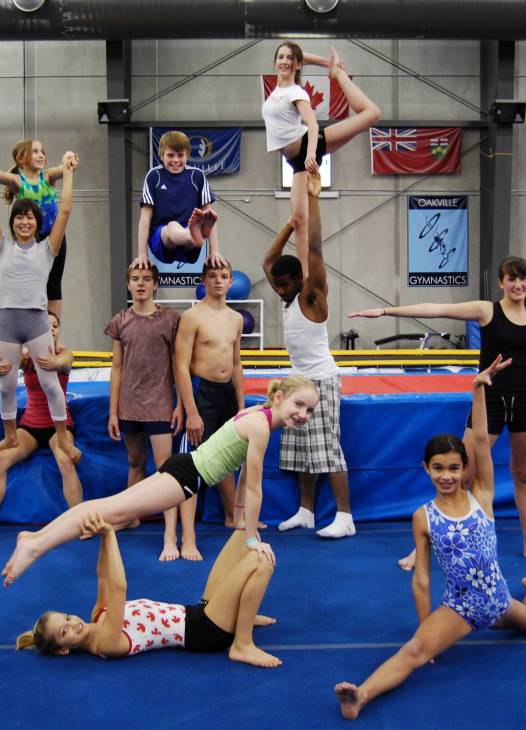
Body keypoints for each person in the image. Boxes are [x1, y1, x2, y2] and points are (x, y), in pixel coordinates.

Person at [332, 355, 526, 720]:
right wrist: (425, 624)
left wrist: (478, 389)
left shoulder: (481, 496)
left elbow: (480, 440)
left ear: (464, 469)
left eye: (453, 468)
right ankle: (361, 696)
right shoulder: (424, 517)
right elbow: (421, 577)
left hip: (497, 599)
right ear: (426, 469)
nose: (446, 476)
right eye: (438, 468)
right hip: (460, 609)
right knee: (414, 650)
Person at [349, 256, 526, 567]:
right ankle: (424, 546)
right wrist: (385, 311)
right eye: (511, 279)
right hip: (488, 400)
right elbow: (436, 309)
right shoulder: (486, 310)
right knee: (462, 474)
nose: (517, 285)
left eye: (523, 279)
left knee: (523, 475)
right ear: (501, 283)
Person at [0, 375, 319, 587]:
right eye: (298, 405)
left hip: (185, 469)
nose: (303, 414)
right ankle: (37, 547)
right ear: (278, 397)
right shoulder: (262, 426)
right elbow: (253, 485)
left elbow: (245, 475)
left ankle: (35, 537)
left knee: (107, 508)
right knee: (108, 514)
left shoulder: (259, 417)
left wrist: (238, 516)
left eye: (310, 410)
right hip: (185, 477)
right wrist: (251, 537)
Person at [16, 511, 282, 667]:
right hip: (206, 631)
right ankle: (242, 643)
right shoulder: (106, 644)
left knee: (245, 534)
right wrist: (110, 535)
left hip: (200, 610)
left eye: (66, 617)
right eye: (64, 632)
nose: (73, 624)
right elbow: (119, 587)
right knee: (261, 560)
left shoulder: (96, 616)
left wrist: (100, 536)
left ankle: (240, 616)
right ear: (63, 649)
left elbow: (103, 577)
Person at [0, 149, 83, 466]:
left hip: (35, 321)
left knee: (48, 381)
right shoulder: (2, 248)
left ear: (37, 222)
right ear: (13, 223)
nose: (24, 221)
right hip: (6, 320)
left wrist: (69, 172)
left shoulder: (48, 249)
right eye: (19, 217)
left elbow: (66, 211)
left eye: (30, 217)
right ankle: (10, 435)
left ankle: (61, 436)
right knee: (4, 381)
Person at [263, 195, 354, 538]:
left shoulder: (311, 296)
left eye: (285, 283)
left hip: (322, 382)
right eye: (277, 284)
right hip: (299, 381)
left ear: (299, 279)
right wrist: (290, 223)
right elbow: (269, 260)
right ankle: (306, 510)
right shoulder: (287, 295)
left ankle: (345, 517)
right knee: (302, 449)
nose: (279, 289)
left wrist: (312, 200)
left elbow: (314, 248)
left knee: (328, 448)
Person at [0, 311, 83, 538]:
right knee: (1, 460)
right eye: (47, 326)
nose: (52, 330)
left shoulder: (64, 353)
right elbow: (2, 362)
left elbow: (65, 362)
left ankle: (79, 523)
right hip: (31, 425)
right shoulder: (27, 359)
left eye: (55, 326)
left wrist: (55, 362)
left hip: (59, 425)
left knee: (66, 461)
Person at [262, 43, 379, 279]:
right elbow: (299, 56)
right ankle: (305, 278)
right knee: (298, 221)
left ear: (297, 66)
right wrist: (327, 62)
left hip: (305, 147)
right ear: (275, 61)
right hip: (295, 161)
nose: (284, 61)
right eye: (280, 57)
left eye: (289, 59)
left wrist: (311, 154)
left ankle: (339, 77)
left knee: (371, 114)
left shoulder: (296, 92)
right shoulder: (278, 90)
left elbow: (313, 124)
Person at [105, 264, 193, 561]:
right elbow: (116, 368)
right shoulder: (120, 321)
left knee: (166, 470)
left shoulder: (170, 319)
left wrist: (180, 404)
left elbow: (179, 365)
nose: (140, 284)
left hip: (159, 404)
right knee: (134, 461)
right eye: (134, 279)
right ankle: (131, 516)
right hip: (129, 404)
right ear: (128, 285)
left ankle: (170, 536)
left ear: (155, 285)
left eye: (145, 280)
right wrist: (113, 411)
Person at [174, 260, 245, 528]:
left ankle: (231, 516)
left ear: (230, 282)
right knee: (192, 460)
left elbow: (237, 363)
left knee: (226, 454)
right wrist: (191, 411)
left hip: (226, 393)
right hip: (201, 391)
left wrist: (240, 406)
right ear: (203, 281)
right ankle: (187, 532)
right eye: (212, 275)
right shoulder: (192, 317)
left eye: (224, 275)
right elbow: (180, 365)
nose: (218, 280)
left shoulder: (236, 318)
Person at [0, 139, 76, 319]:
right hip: (30, 239)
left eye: (42, 151)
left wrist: (69, 158)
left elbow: (64, 169)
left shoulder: (49, 176)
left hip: (54, 238)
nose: (41, 155)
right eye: (35, 151)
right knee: (30, 282)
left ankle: (54, 331)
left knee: (54, 285)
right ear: (21, 159)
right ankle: (27, 321)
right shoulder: (17, 181)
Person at [135, 130, 224, 269]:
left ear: (187, 155)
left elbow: (209, 216)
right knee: (172, 226)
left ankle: (192, 235)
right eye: (170, 155)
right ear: (162, 155)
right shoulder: (154, 176)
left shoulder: (197, 176)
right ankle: (193, 235)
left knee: (196, 224)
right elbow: (145, 217)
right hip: (162, 239)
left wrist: (214, 251)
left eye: (180, 155)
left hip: (190, 244)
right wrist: (142, 254)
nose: (175, 160)